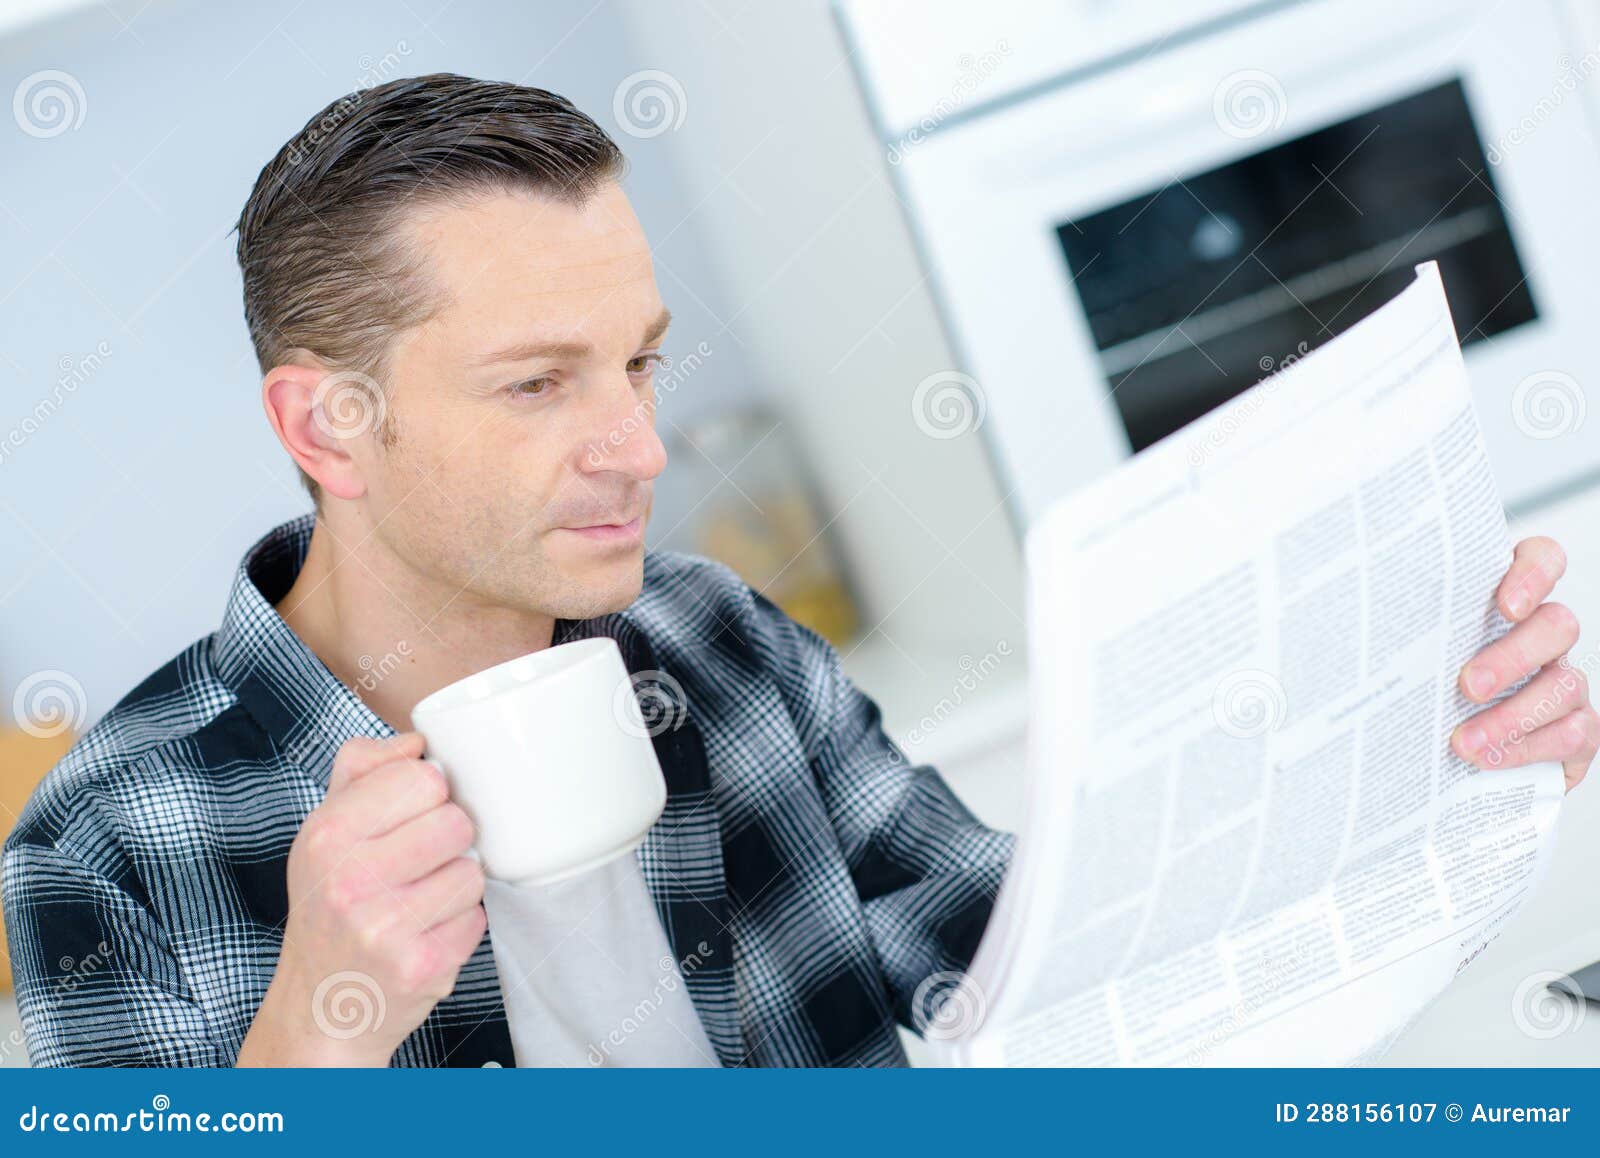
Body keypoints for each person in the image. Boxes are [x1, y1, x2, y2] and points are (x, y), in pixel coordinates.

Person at [2, 74, 1593, 1068]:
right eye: (540, 382)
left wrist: (1429, 759)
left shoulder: (713, 639)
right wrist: (318, 1034)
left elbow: (1047, 973)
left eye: (639, 361)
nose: (640, 444)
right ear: (328, 426)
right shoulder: (106, 848)